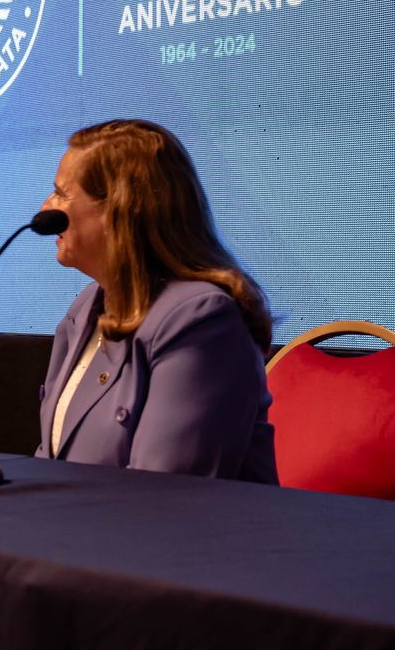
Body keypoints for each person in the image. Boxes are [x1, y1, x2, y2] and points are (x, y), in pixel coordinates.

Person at [35, 119, 277, 482]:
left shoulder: (203, 320)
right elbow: (48, 459)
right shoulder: (86, 308)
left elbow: (165, 494)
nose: (44, 207)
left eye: (61, 194)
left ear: (118, 208)